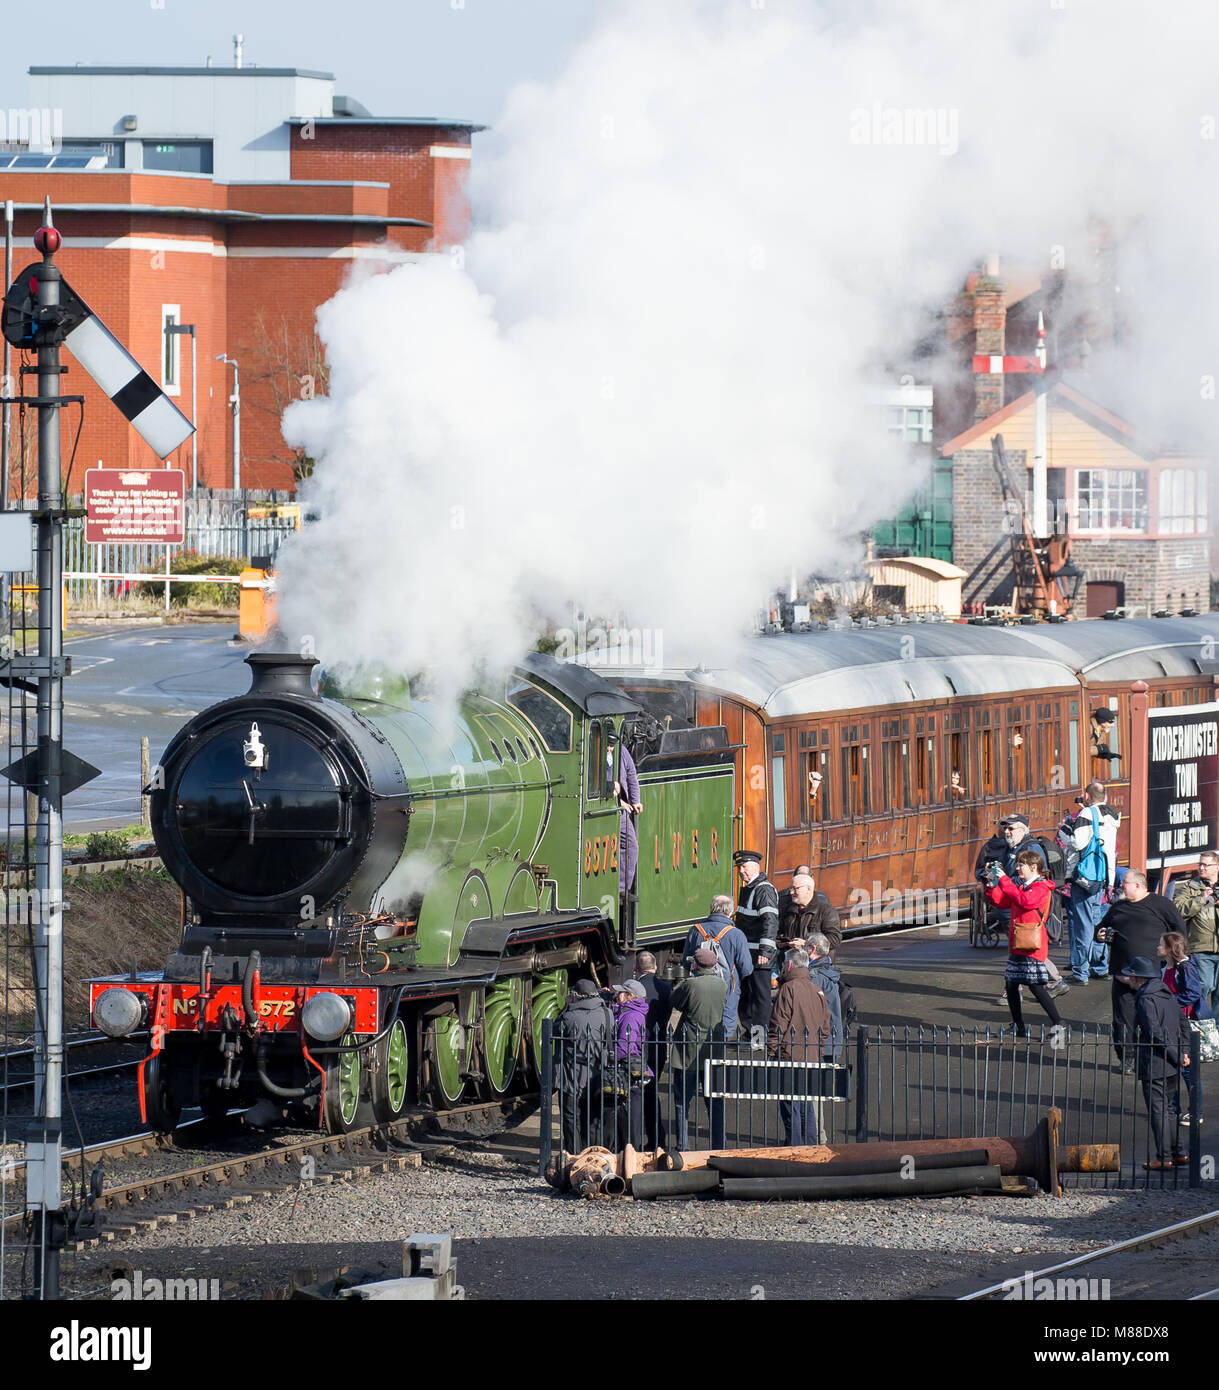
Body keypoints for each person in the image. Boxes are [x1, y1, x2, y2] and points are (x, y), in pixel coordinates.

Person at [1099, 868, 1188, 1069]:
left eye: (1125, 883)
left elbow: (1179, 931)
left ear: (1138, 885)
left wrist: (1174, 956)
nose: (1121, 886)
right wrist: (1101, 934)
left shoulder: (1161, 904)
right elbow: (1101, 928)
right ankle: (1127, 1059)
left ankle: (1160, 1056)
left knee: (1153, 1019)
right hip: (1123, 975)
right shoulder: (1118, 907)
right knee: (1123, 1021)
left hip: (1153, 976)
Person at [978, 814, 1068, 1002]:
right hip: (1014, 905)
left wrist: (1003, 880)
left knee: (1023, 948)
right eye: (1005, 829)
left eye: (1011, 828)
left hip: (1026, 908)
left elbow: (1029, 880)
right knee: (1026, 948)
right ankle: (1055, 981)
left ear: (1023, 829)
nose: (1007, 832)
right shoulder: (1011, 847)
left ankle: (1013, 990)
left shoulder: (1031, 848)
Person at [1117, 955, 1190, 1171]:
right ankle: (1180, 1153)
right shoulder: (1167, 994)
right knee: (1169, 1109)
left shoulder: (1145, 998)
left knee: (1158, 1111)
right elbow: (1184, 1024)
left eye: (1131, 976)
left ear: (1138, 978)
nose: (1129, 979)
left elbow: (1154, 1033)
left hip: (1156, 1063)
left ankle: (1164, 1157)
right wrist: (1184, 1052)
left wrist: (1176, 1054)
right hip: (1172, 1063)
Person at [985, 849, 1063, 1036]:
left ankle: (1059, 1024)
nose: (1018, 868)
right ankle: (1018, 1026)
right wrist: (991, 884)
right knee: (1011, 985)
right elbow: (1002, 901)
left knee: (1036, 987)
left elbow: (1025, 902)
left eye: (1021, 865)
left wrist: (1004, 879)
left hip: (1032, 946)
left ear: (1033, 867)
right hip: (1019, 943)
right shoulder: (1023, 886)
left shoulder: (1041, 887)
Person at [768, 947, 830, 1144]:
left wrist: (771, 1051)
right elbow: (825, 1027)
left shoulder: (788, 988)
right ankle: (810, 1146)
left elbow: (778, 1024)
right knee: (806, 1106)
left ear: (789, 964)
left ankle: (794, 1146)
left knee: (790, 1105)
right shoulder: (817, 990)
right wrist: (818, 1051)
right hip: (811, 1056)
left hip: (789, 1056)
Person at [670, 947, 728, 1150]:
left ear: (696, 964)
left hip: (689, 1052)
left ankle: (682, 1145)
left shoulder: (690, 984)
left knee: (682, 1102)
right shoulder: (722, 984)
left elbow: (675, 1002)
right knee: (714, 1103)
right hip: (713, 1050)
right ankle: (718, 1144)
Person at [1064, 782, 1120, 985]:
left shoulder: (1086, 814)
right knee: (1098, 922)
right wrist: (1111, 881)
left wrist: (1066, 830)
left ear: (1087, 796)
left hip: (1085, 878)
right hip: (1103, 876)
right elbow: (1110, 851)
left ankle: (1080, 972)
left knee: (1083, 925)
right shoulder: (1111, 815)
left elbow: (1077, 843)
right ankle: (1101, 967)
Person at [1158, 930, 1211, 1127]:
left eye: (1161, 945)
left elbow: (1193, 993)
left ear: (1170, 949)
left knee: (1188, 1071)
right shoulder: (1165, 967)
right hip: (1170, 1023)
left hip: (1185, 1024)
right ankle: (1173, 1108)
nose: (1158, 947)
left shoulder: (1186, 968)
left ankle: (1195, 1112)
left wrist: (1169, 1002)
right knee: (1170, 1067)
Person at [554, 979, 614, 1154]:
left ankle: (573, 1154)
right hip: (597, 1075)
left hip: (571, 1076)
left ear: (576, 995)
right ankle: (593, 1154)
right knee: (593, 1118)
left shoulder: (569, 1016)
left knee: (571, 1118)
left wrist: (566, 1006)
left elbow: (554, 1030)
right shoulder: (607, 1013)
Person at [682, 894, 753, 1037]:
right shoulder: (736, 934)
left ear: (711, 908)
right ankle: (719, 1053)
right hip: (727, 987)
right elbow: (746, 968)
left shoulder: (695, 930)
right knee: (724, 1024)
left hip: (699, 986)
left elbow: (686, 961)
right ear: (730, 912)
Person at [1172, 851, 1219, 1013]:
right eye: (1200, 864)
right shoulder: (1191, 886)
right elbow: (1177, 908)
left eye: (1206, 865)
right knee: (1203, 986)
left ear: (1217, 867)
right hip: (1200, 947)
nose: (1201, 868)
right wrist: (1202, 899)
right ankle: (1198, 1023)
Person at [634, 951, 672, 1149]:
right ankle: (657, 1138)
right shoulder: (666, 988)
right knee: (652, 1091)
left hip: (638, 1049)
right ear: (655, 967)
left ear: (636, 968)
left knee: (634, 1094)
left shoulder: (632, 988)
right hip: (658, 1046)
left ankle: (634, 1140)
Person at [610, 979, 651, 1149]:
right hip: (627, 1071)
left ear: (630, 996)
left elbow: (624, 1047)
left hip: (627, 1071)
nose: (617, 995)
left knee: (629, 1117)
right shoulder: (629, 1011)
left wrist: (607, 1056)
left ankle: (630, 1150)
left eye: (620, 992)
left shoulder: (631, 1017)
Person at [778, 871, 842, 955]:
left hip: (815, 963)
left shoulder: (826, 911)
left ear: (808, 889)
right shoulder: (787, 908)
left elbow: (835, 939)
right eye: (790, 888)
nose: (791, 892)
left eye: (795, 888)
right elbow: (779, 932)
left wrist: (806, 944)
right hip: (792, 961)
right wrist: (780, 943)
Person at [804, 932, 845, 1062]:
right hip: (832, 1040)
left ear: (813, 949)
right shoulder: (828, 969)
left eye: (806, 946)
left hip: (821, 1042)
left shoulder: (815, 976)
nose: (803, 949)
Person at [612, 733, 643, 895]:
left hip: (621, 809)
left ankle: (622, 887)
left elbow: (631, 774)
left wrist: (635, 800)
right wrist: (619, 802)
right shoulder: (594, 751)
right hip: (609, 805)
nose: (610, 748)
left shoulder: (622, 751)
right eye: (608, 745)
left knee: (631, 845)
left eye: (612, 745)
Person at [734, 850, 780, 946]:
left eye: (744, 866)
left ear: (756, 867)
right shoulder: (750, 888)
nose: (741, 871)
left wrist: (765, 951)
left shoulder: (764, 890)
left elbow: (770, 921)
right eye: (739, 867)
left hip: (757, 952)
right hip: (748, 948)